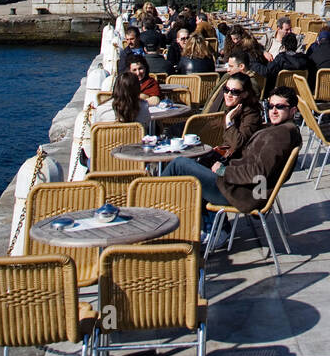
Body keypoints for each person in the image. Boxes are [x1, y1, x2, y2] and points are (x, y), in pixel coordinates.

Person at [163, 86, 302, 234]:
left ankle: (148, 208)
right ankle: (215, 228)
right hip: (244, 188)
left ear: (293, 111)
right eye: (271, 106)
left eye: (280, 107)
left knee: (179, 164)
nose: (273, 111)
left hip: (241, 192)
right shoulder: (283, 129)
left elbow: (258, 172)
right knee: (200, 164)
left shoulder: (280, 135)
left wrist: (223, 170)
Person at [86, 66, 153, 163]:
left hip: (105, 162)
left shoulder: (101, 109)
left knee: (88, 161)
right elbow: (147, 125)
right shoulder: (143, 107)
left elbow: (94, 134)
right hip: (135, 162)